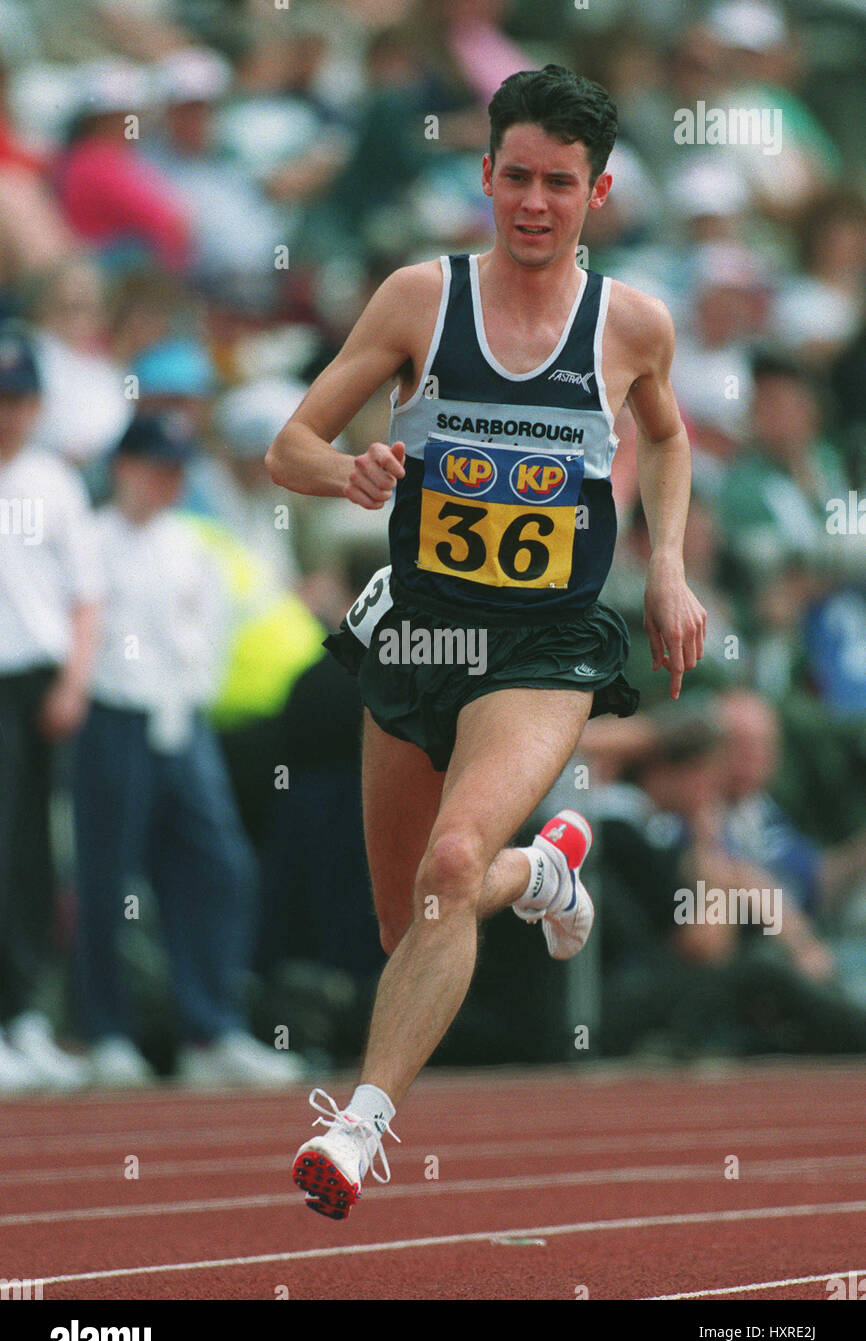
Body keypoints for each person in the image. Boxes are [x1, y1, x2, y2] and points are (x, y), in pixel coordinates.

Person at [266, 64, 706, 1219]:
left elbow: (665, 441)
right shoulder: (420, 298)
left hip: (546, 638)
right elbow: (288, 445)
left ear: (596, 192)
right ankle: (549, 869)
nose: (532, 202)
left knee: (450, 867)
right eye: (514, 176)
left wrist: (662, 566)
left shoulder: (631, 323)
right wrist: (346, 468)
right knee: (408, 910)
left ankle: (357, 1128)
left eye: (558, 183)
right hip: (415, 633)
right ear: (484, 175)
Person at [73, 412, 304, 1089]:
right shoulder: (91, 541)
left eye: (177, 471)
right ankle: (105, 1032)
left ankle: (211, 1028)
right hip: (113, 717)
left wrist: (191, 694)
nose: (167, 484)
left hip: (185, 721)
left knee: (219, 866)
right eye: (155, 469)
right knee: (107, 880)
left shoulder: (194, 544)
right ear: (124, 468)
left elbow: (212, 628)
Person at [0, 322, 101, 1093]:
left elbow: (85, 600)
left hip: (37, 685)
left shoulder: (54, 483)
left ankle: (25, 1013)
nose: (10, 412)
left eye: (21, 398)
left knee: (34, 850)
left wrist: (73, 682)